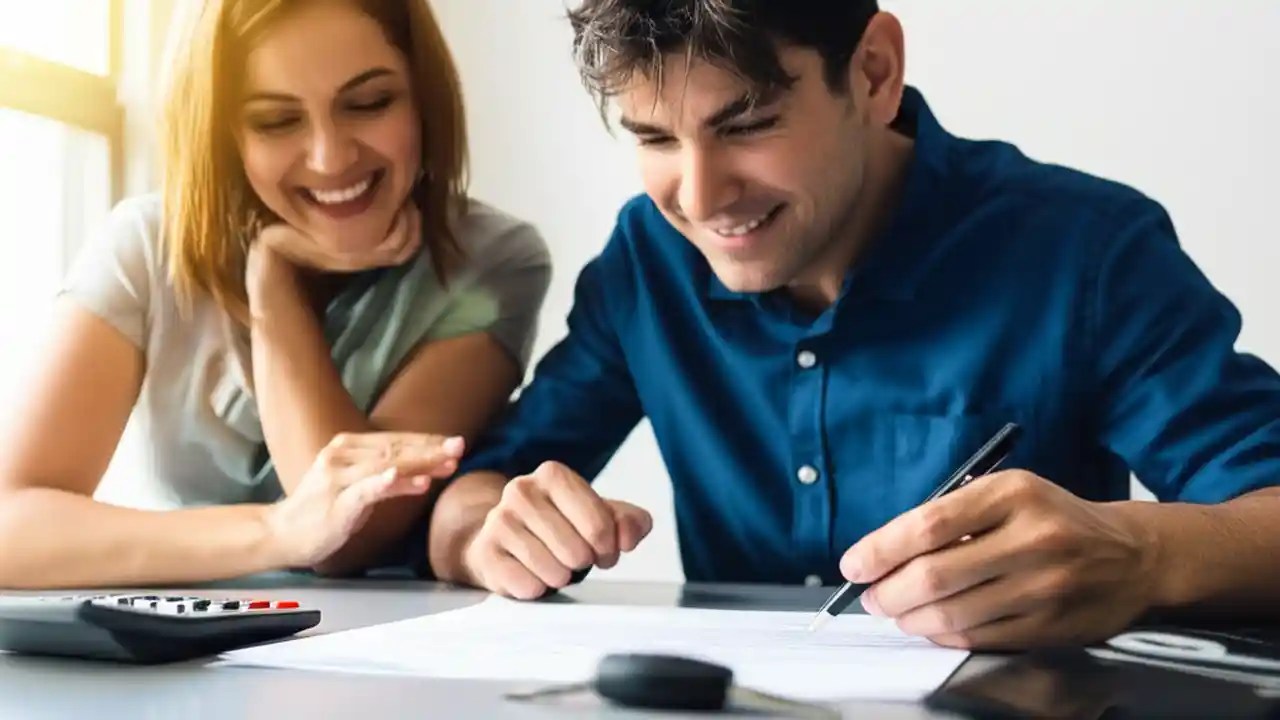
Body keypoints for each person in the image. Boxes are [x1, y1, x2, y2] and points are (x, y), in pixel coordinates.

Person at [423, 0, 1280, 650]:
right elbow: (470, 498)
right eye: (654, 137)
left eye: (748, 124)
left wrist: (1143, 555)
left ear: (872, 71)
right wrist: (491, 536)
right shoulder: (646, 259)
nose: (699, 195)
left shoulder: (1084, 250)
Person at [0, 0, 550, 589]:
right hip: (177, 647)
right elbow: (10, 525)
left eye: (368, 104)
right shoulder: (145, 247)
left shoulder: (492, 262)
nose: (330, 157)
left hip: (383, 648)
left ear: (423, 96)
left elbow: (349, 534)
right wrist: (276, 529)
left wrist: (273, 281)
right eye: (275, 121)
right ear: (222, 132)